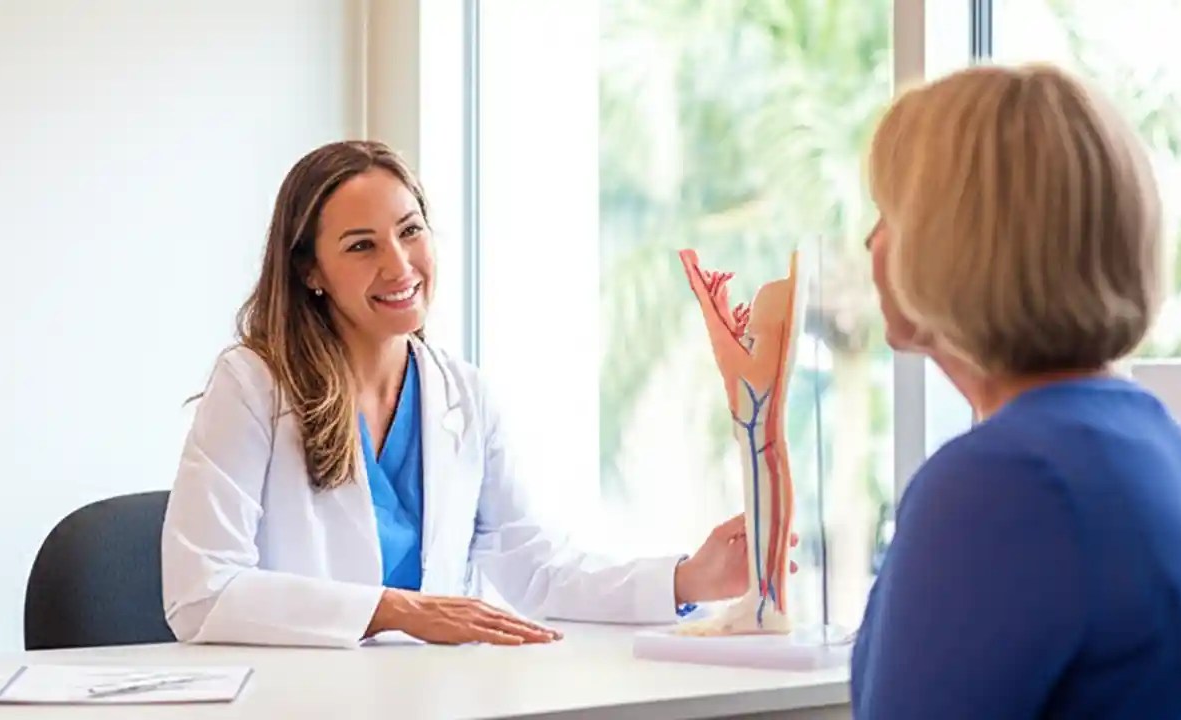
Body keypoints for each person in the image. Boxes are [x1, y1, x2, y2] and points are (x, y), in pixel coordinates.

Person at [160, 140, 772, 649]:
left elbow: (536, 570)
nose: (399, 265)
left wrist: (687, 579)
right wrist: (395, 610)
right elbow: (202, 592)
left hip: (430, 698)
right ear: (309, 271)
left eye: (410, 231)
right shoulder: (252, 386)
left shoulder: (462, 395)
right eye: (361, 245)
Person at [852, 63, 1181, 718]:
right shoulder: (1174, 457)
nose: (869, 242)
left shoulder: (1001, 484)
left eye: (888, 214)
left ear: (952, 246)